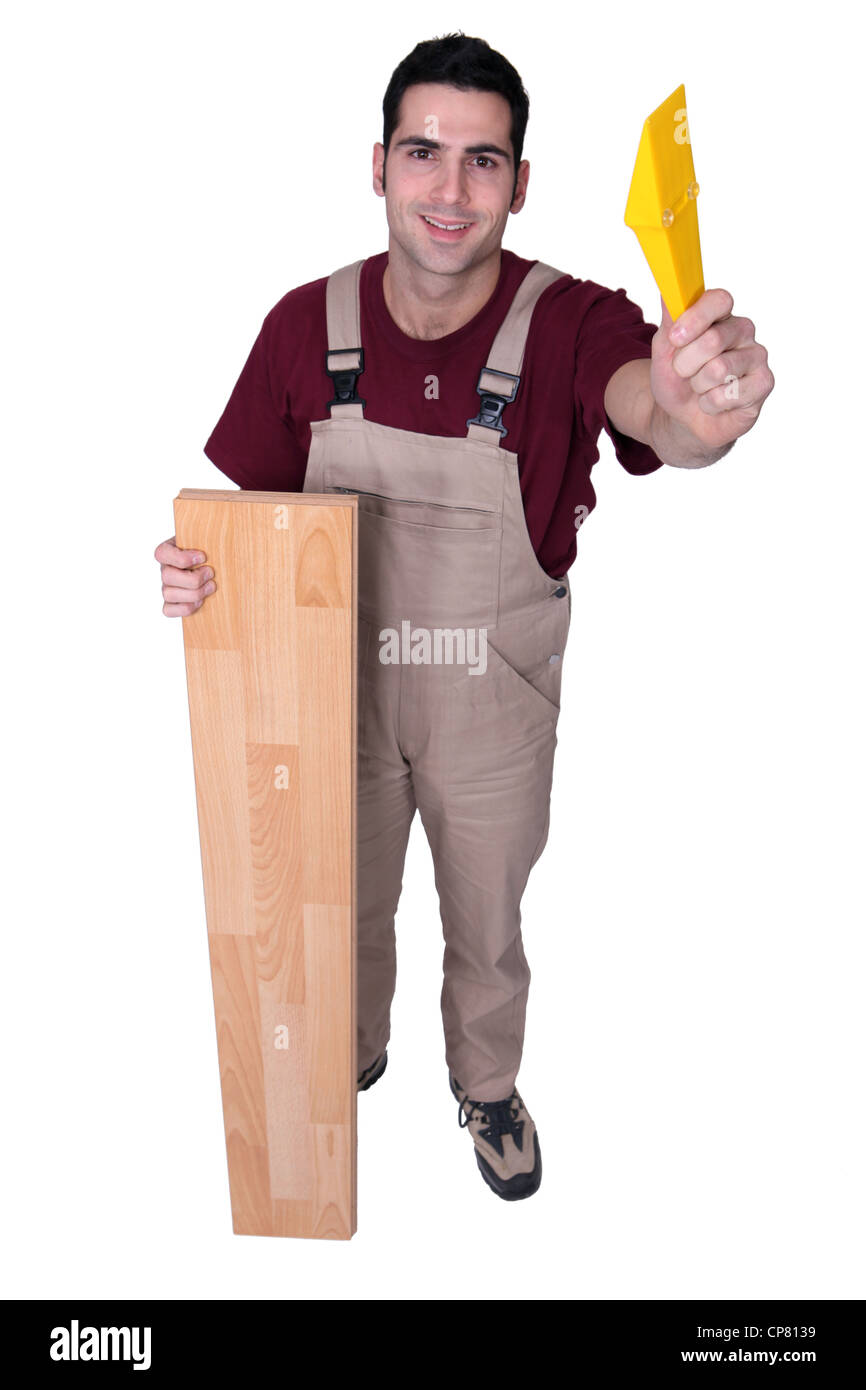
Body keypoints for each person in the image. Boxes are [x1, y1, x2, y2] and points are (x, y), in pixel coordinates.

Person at [155, 34, 773, 1202]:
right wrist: (202, 577)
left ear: (519, 182)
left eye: (482, 160)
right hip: (332, 687)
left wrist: (693, 414)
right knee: (336, 896)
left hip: (494, 700)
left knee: (485, 917)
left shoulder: (573, 322)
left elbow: (655, 409)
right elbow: (248, 533)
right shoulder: (302, 326)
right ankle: (347, 1045)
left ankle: (484, 1083)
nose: (449, 187)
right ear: (376, 164)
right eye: (422, 152)